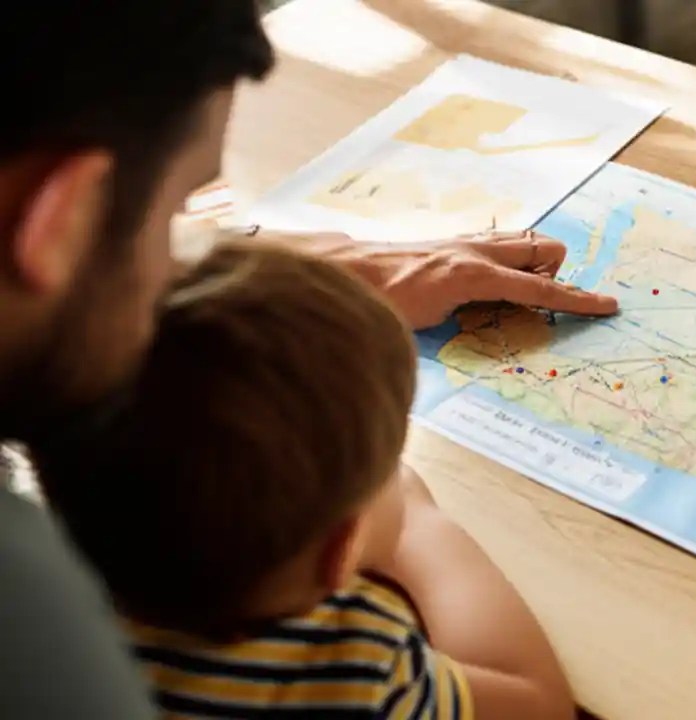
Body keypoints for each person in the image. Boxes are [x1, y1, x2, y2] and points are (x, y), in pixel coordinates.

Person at [0, 1, 613, 716]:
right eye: (178, 219)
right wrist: (416, 526)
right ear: (62, 219)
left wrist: (269, 286)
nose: (185, 258)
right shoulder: (32, 622)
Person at [31, 242, 574, 719]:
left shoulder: (36, 616)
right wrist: (422, 527)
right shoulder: (354, 666)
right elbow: (535, 701)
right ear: (340, 552)